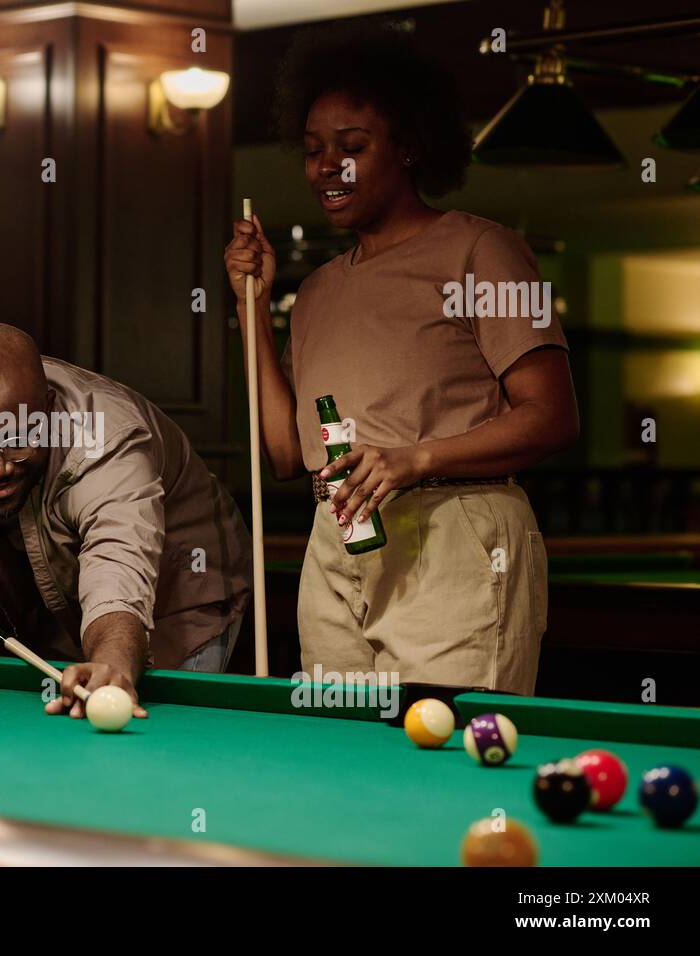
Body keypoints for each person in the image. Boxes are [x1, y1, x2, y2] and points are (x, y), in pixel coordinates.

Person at [223, 25, 578, 694]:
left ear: (410, 147)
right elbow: (281, 454)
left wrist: (414, 457)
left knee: (446, 751)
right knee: (342, 756)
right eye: (312, 151)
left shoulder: (486, 250)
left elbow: (554, 418)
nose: (327, 165)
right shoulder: (317, 292)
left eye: (351, 147)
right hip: (338, 539)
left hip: (455, 533)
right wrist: (253, 306)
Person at [0, 322, 251, 720]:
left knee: (160, 749)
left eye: (17, 440)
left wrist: (112, 665)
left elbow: (118, 569)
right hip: (73, 595)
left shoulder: (106, 450)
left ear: (48, 411)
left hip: (185, 585)